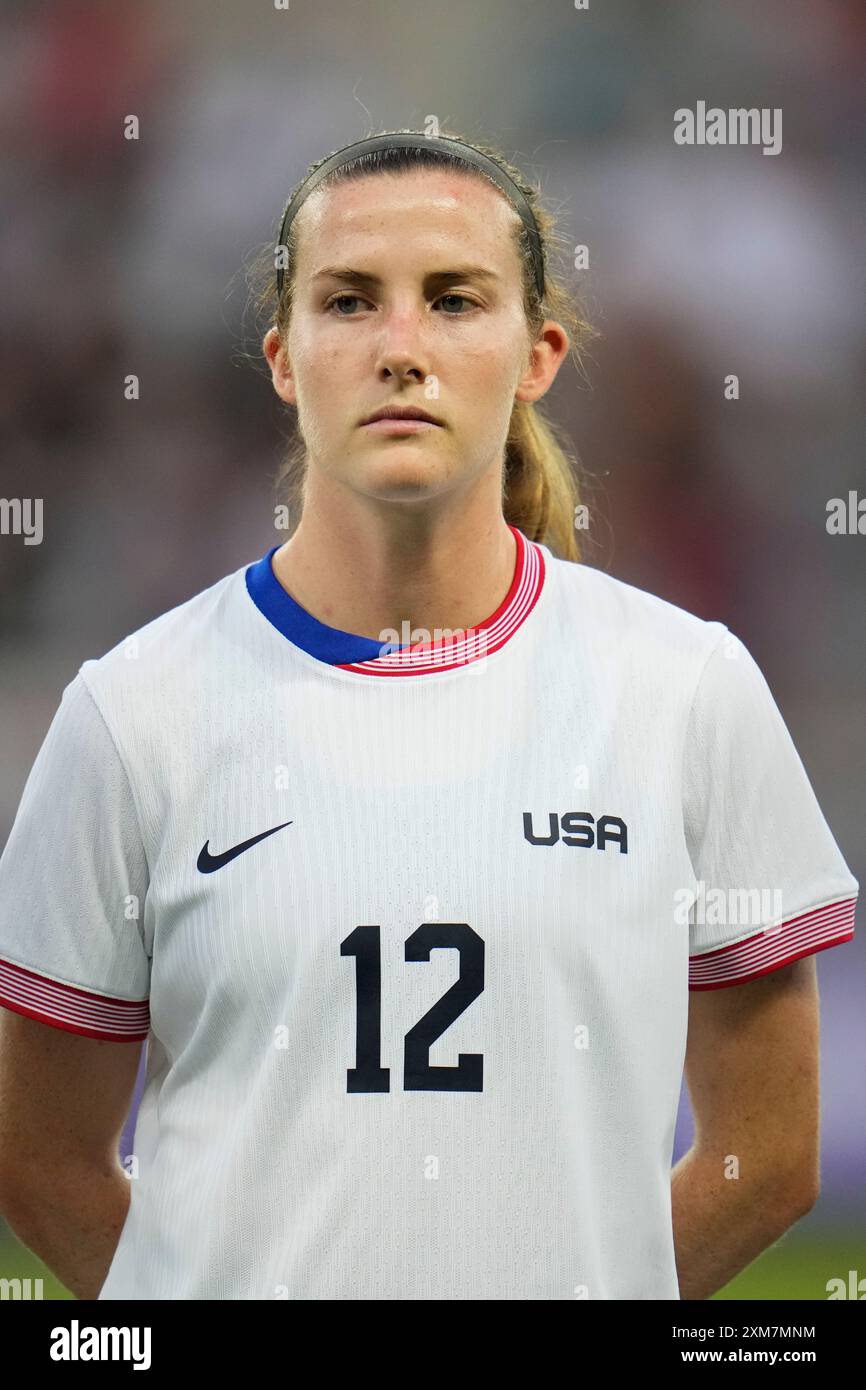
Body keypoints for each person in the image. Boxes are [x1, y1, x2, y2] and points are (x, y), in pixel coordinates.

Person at [0, 131, 858, 1301]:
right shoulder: (129, 714)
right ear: (284, 358)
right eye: (348, 301)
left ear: (537, 353)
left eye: (453, 300)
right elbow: (38, 1155)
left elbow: (766, 1156)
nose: (400, 348)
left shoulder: (684, 689)